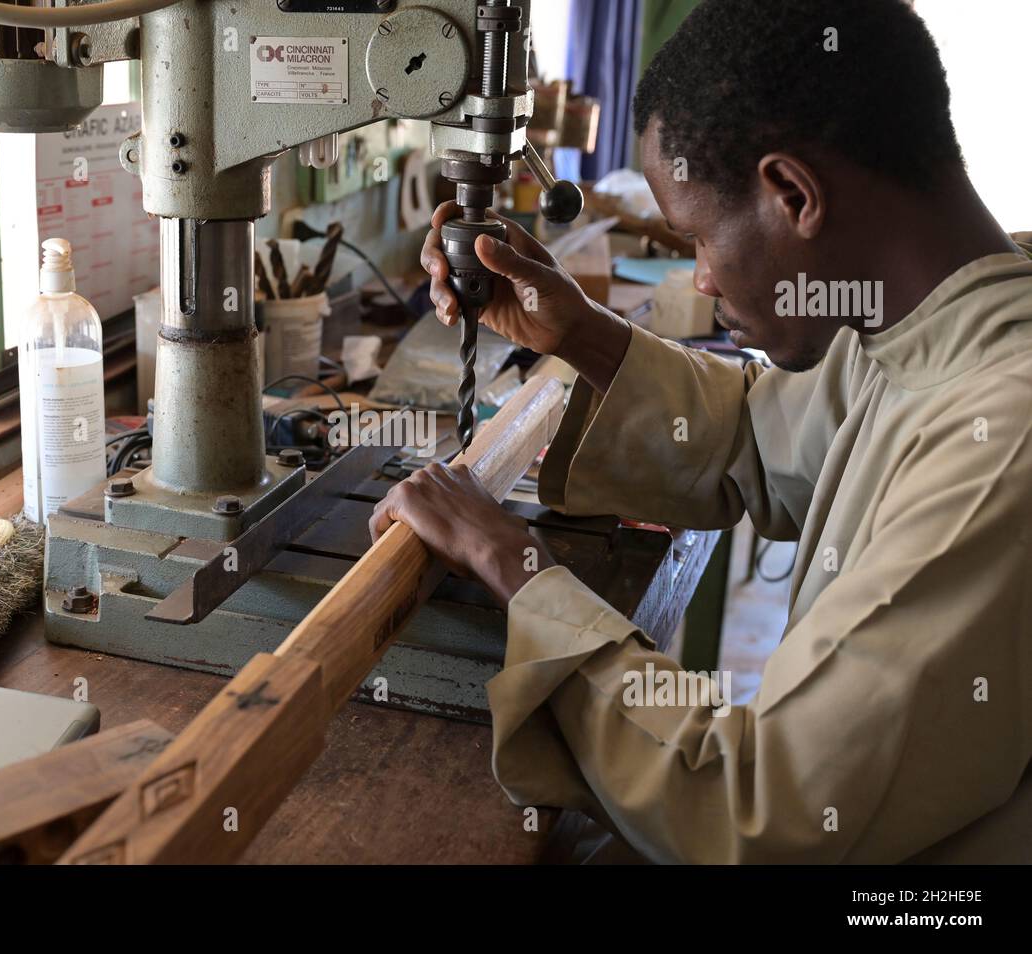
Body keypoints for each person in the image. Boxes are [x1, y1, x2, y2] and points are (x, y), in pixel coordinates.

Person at [370, 0, 1032, 863]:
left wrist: (514, 562)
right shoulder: (910, 322)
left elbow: (750, 811)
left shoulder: (1003, 444)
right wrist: (576, 330)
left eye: (698, 237)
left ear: (793, 193)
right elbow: (760, 440)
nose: (703, 276)